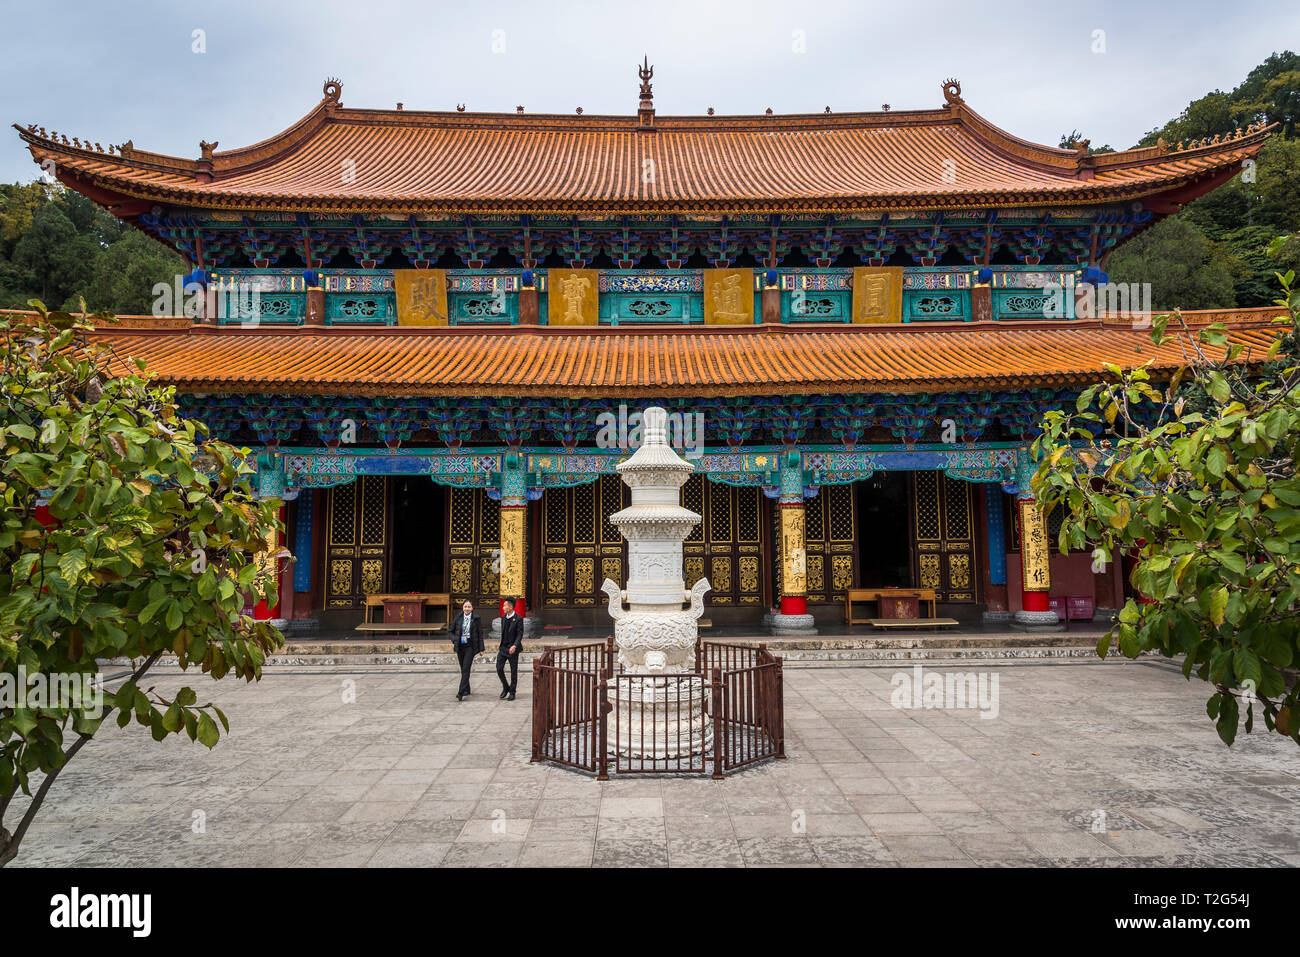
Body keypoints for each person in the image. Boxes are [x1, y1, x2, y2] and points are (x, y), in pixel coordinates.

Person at [449, 599, 483, 701]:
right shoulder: (458, 617)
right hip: (460, 646)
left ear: (472, 608)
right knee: (463, 668)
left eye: (469, 607)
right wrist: (454, 640)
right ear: (462, 608)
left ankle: (460, 692)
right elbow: (451, 631)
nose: (467, 609)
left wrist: (481, 648)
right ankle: (467, 688)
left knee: (465, 668)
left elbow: (480, 634)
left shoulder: (476, 618)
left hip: (470, 646)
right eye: (465, 607)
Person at [496, 598, 524, 701]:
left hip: (513, 649)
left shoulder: (518, 619)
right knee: (499, 668)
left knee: (513, 671)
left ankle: (512, 691)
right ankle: (505, 687)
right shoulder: (503, 618)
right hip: (503, 648)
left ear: (511, 607)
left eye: (505, 606)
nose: (503, 608)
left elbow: (520, 634)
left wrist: (515, 645)